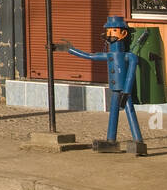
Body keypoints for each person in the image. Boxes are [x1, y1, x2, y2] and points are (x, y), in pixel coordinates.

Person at [55, 16, 146, 155]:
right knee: (113, 112)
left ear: (123, 34)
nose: (110, 34)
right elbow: (90, 56)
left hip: (123, 90)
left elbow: (131, 74)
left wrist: (127, 91)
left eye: (113, 31)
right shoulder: (109, 54)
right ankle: (111, 141)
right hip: (115, 89)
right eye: (108, 31)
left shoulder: (129, 56)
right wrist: (69, 49)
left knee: (129, 111)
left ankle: (138, 141)